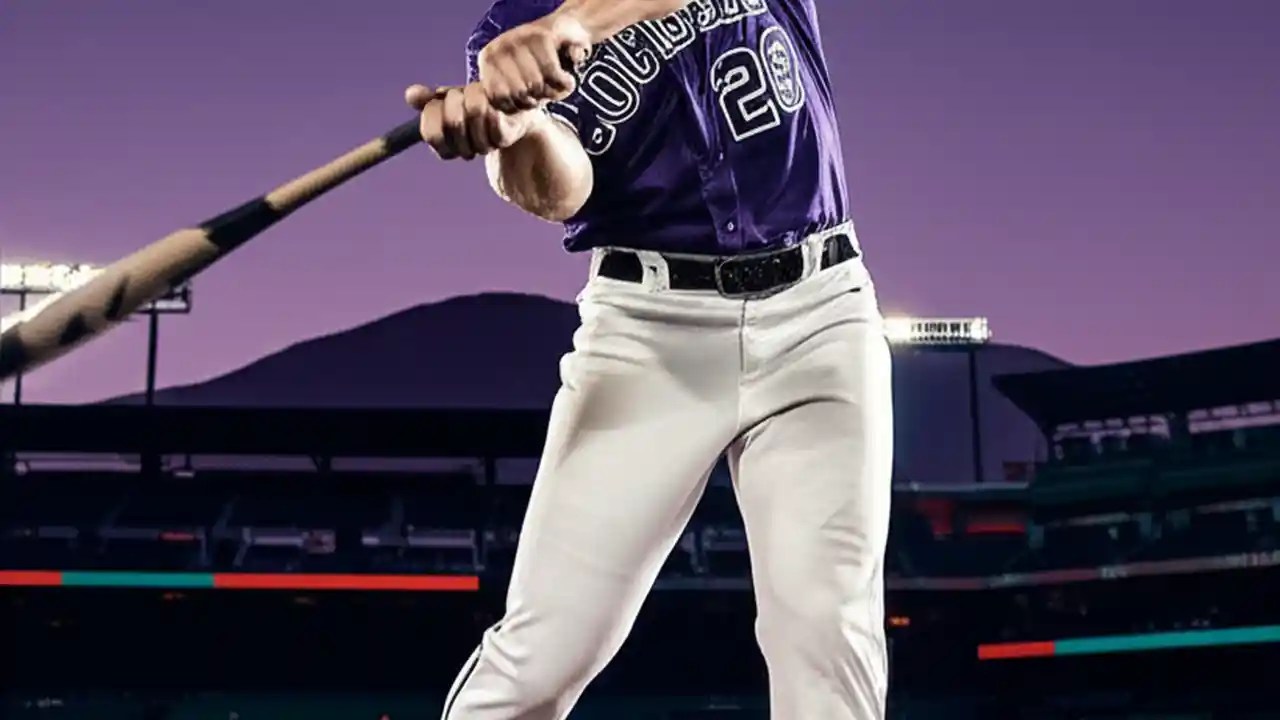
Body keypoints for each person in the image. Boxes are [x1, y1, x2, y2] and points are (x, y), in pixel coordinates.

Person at [406, 0, 894, 717]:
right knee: (542, 659)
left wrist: (573, 24)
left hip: (820, 310)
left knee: (828, 641)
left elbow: (578, 25)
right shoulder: (508, 33)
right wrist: (520, 128)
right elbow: (561, 188)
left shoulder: (545, 29)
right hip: (650, 330)